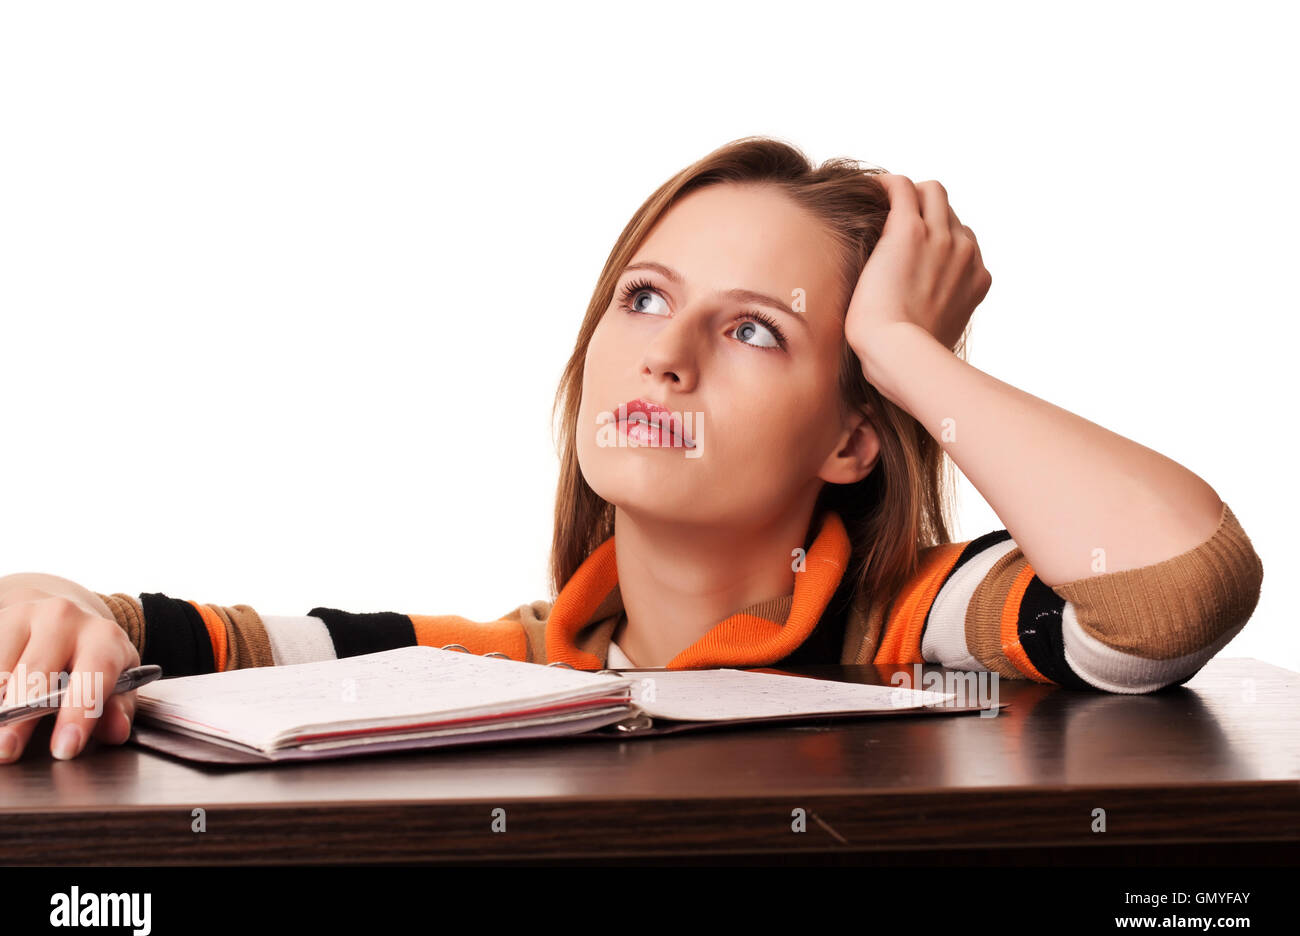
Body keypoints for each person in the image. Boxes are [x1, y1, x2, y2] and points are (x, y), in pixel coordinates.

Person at [0, 136, 1265, 763]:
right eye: (645, 298)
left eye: (755, 330)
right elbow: (156, 626)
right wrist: (52, 608)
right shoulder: (515, 659)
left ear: (848, 436)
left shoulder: (913, 627)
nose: (667, 358)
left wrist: (912, 352)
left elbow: (1171, 591)